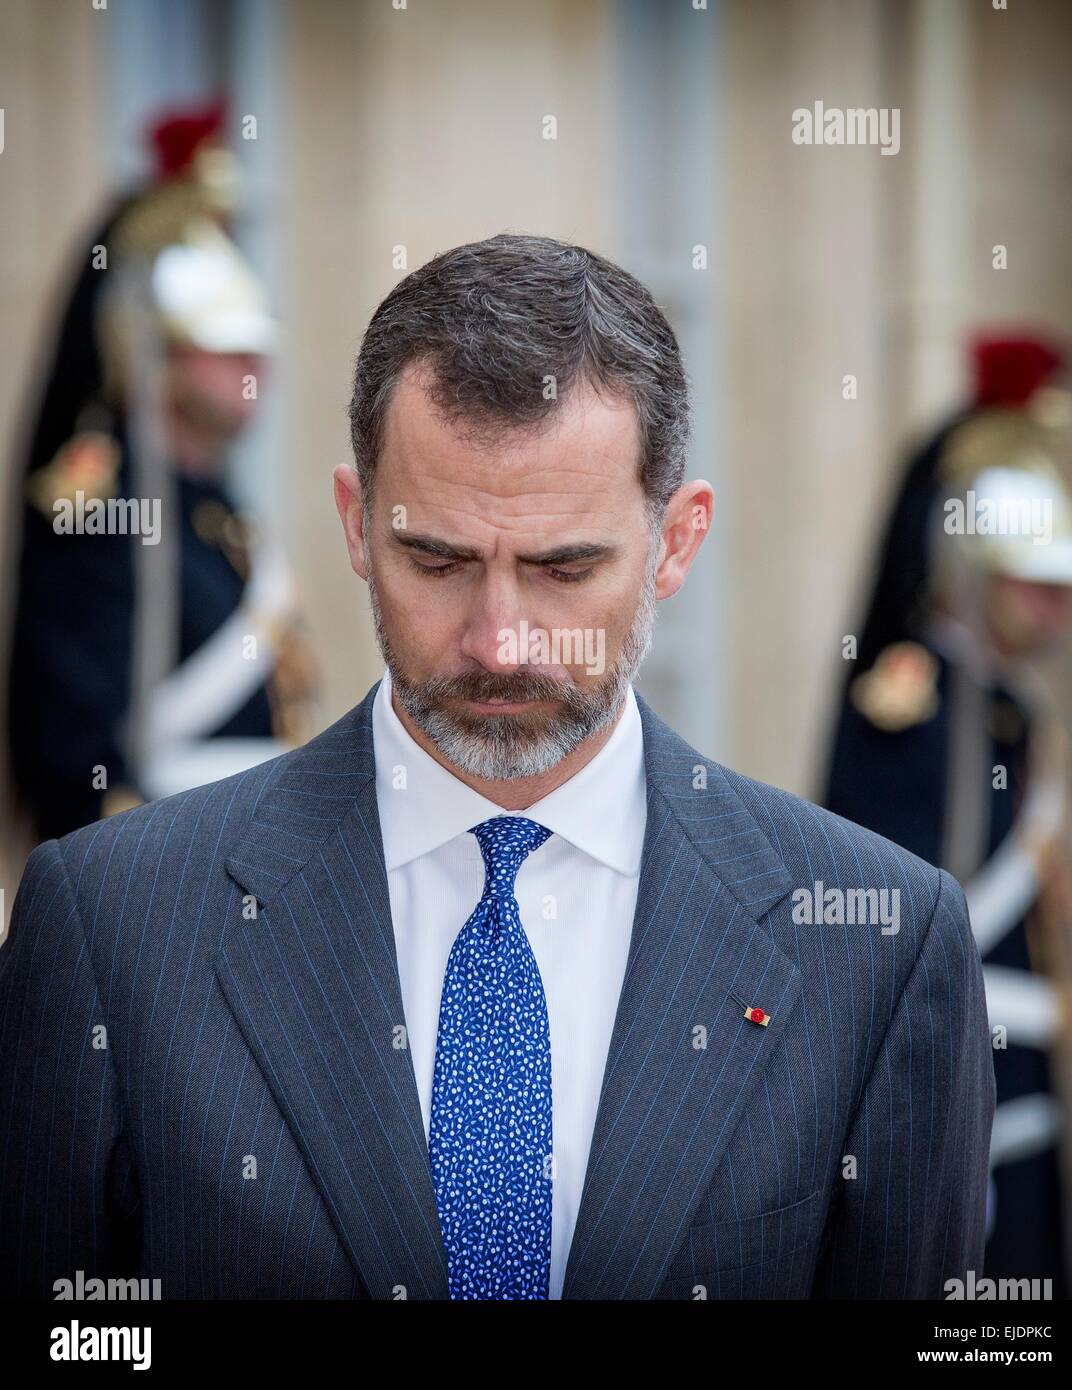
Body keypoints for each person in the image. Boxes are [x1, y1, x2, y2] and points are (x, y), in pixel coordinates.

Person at [0, 233, 994, 1301]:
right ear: (354, 523)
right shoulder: (111, 923)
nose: (501, 640)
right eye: (437, 559)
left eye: (564, 566)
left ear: (677, 539)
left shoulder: (882, 947)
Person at [823, 335, 1072, 1298]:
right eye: (1035, 582)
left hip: (1028, 1089)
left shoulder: (1010, 705)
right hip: (957, 1103)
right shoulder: (912, 705)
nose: (1056, 609)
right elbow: (889, 930)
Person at [6, 101, 317, 842]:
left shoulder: (219, 509)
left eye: (258, 352)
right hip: (160, 851)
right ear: (163, 355)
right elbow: (73, 745)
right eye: (226, 350)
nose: (254, 371)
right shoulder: (94, 505)